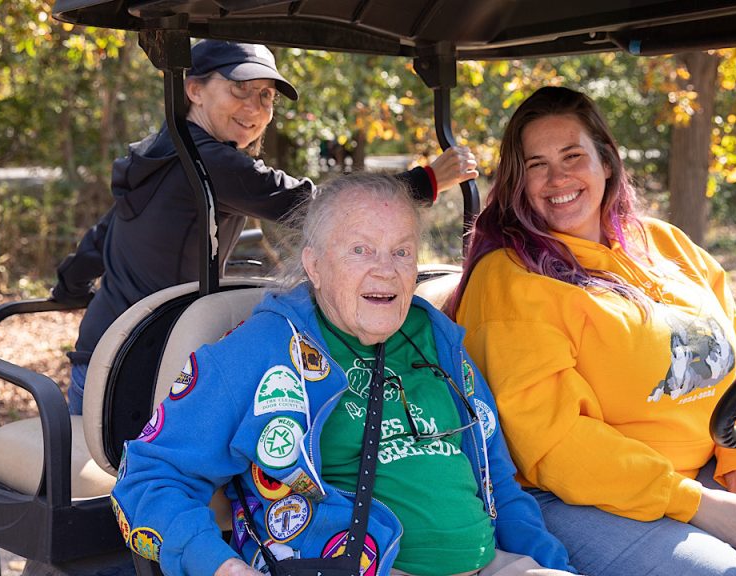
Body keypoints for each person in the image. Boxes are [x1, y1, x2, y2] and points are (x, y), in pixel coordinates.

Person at [450, 86, 736, 576]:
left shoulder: (663, 243)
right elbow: (553, 443)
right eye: (537, 165)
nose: (558, 178)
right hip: (575, 496)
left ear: (606, 162)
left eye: (573, 156)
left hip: (700, 479)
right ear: (518, 181)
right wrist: (693, 502)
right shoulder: (511, 279)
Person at [110, 173, 579, 576]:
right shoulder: (258, 350)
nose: (386, 271)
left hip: (494, 563)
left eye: (401, 252)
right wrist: (218, 564)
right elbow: (149, 477)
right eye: (360, 250)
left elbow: (498, 482)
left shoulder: (440, 342)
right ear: (314, 265)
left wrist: (549, 564)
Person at [50, 40, 480, 415]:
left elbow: (103, 235)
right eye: (239, 89)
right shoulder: (206, 161)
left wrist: (69, 286)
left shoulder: (160, 153)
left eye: (266, 96)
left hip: (104, 353)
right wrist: (425, 181)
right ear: (194, 89)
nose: (255, 108)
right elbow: (321, 207)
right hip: (139, 369)